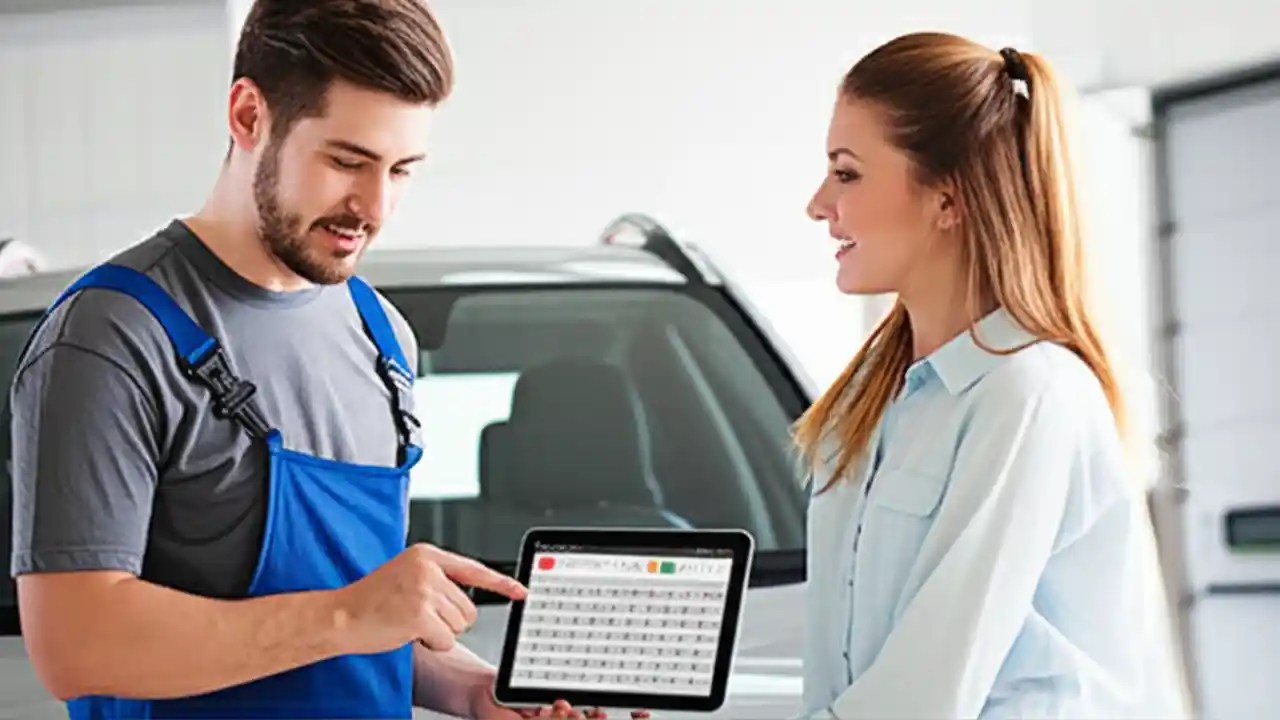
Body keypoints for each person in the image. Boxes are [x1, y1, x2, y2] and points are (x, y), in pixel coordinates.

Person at [8, 1, 598, 718]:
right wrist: (353, 614)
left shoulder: (382, 336)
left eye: (401, 170)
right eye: (346, 161)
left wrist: (478, 694)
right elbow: (76, 644)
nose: (373, 207)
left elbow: (365, 611)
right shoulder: (113, 337)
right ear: (249, 116)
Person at [795, 32, 1190, 718]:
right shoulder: (869, 401)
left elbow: (924, 695)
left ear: (948, 199)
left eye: (848, 173)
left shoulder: (1026, 394)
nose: (819, 203)